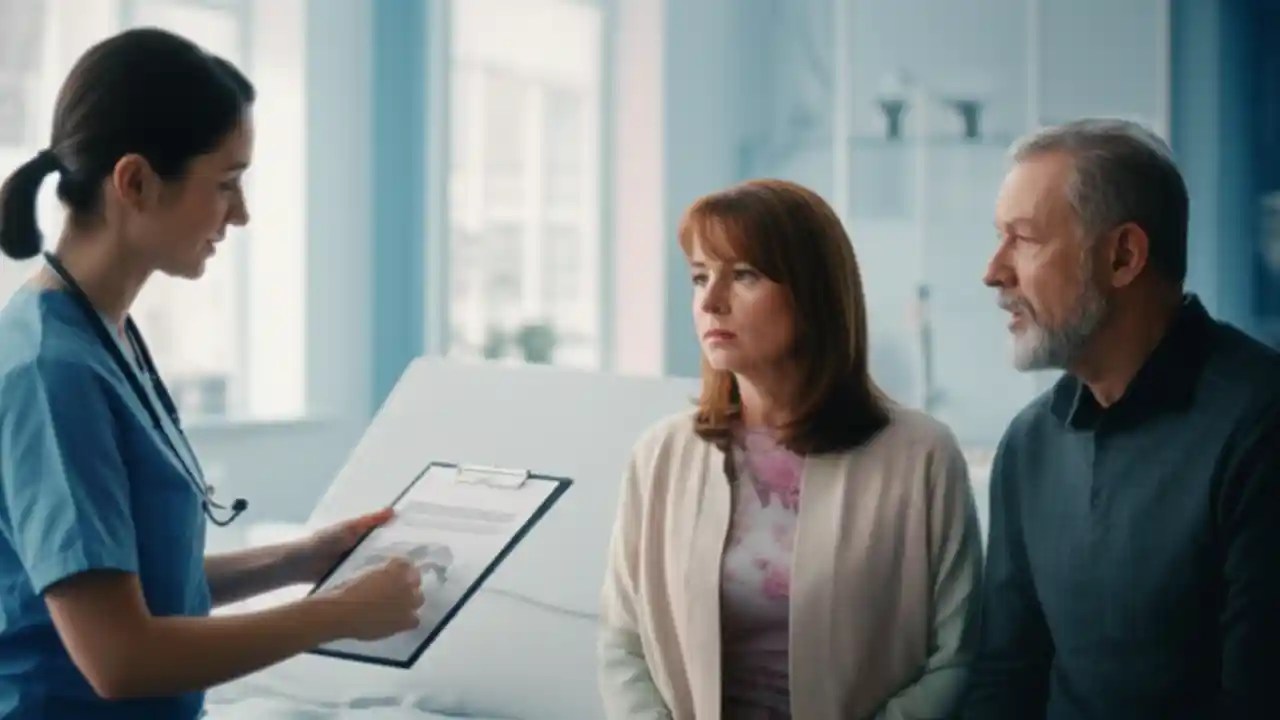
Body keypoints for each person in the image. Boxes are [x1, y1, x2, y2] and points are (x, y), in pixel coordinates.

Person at [0, 28, 424, 718]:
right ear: (134, 182)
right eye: (226, 184)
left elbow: (131, 588)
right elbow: (118, 658)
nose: (243, 214)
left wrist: (300, 560)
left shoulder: (102, 335)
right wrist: (336, 615)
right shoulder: (52, 372)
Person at [597, 178, 984, 719]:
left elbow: (957, 658)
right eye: (700, 277)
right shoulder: (661, 454)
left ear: (813, 294)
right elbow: (623, 644)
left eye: (745, 276)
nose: (711, 301)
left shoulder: (922, 456)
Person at [961, 118, 1280, 718]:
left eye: (1024, 239)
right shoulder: (1029, 444)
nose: (993, 271)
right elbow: (1006, 676)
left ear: (1124, 255)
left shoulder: (1262, 424)